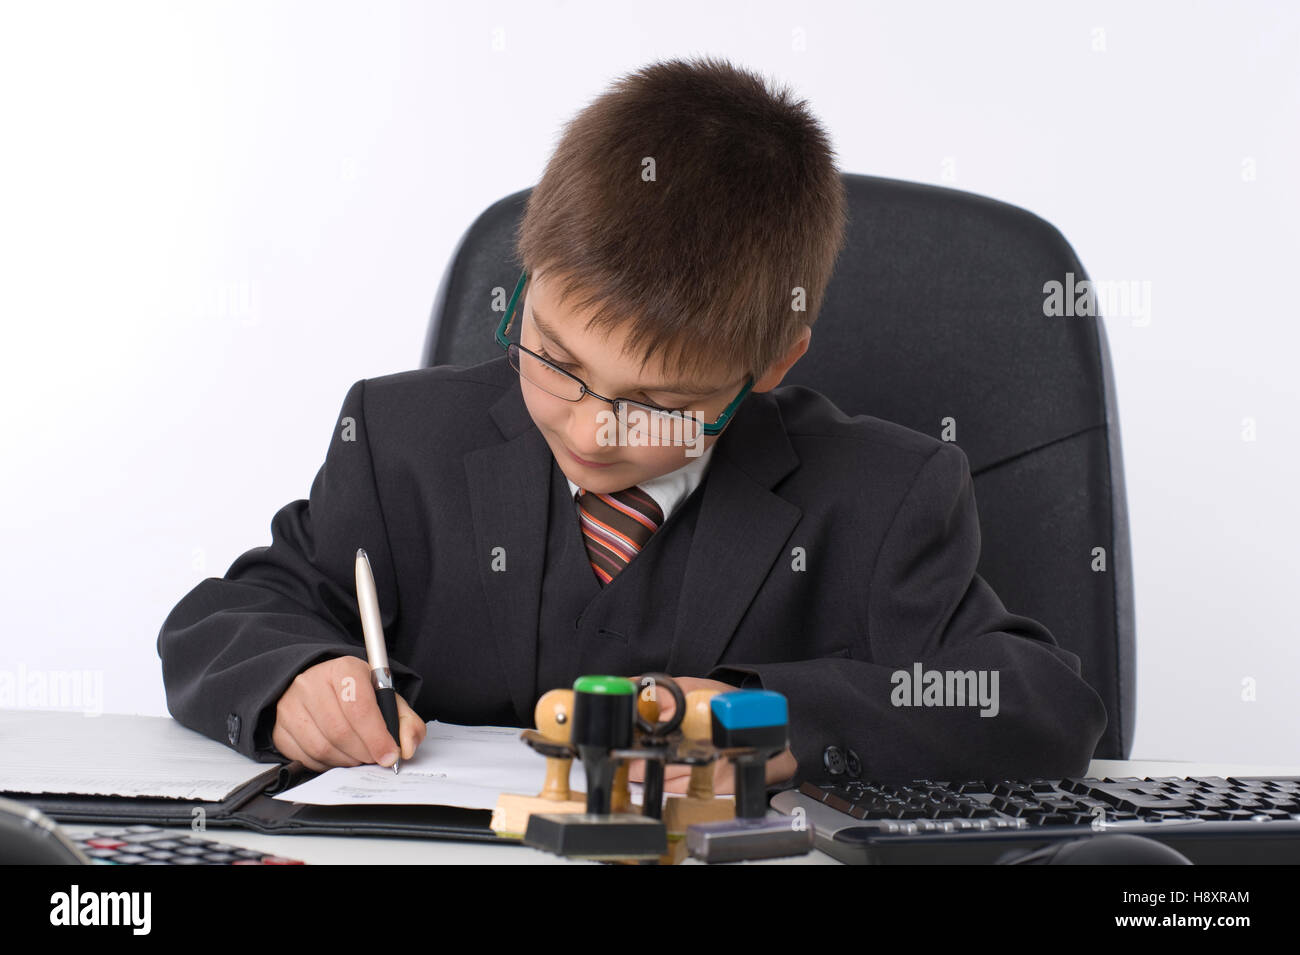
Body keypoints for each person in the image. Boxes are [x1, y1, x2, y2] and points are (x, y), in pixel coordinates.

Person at [157, 56, 1106, 795]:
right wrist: (299, 678)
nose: (593, 426)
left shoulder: (878, 497)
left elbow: (1037, 701)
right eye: (557, 358)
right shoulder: (401, 440)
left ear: (769, 367)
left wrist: (769, 718)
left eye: (656, 405)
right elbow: (226, 617)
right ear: (525, 284)